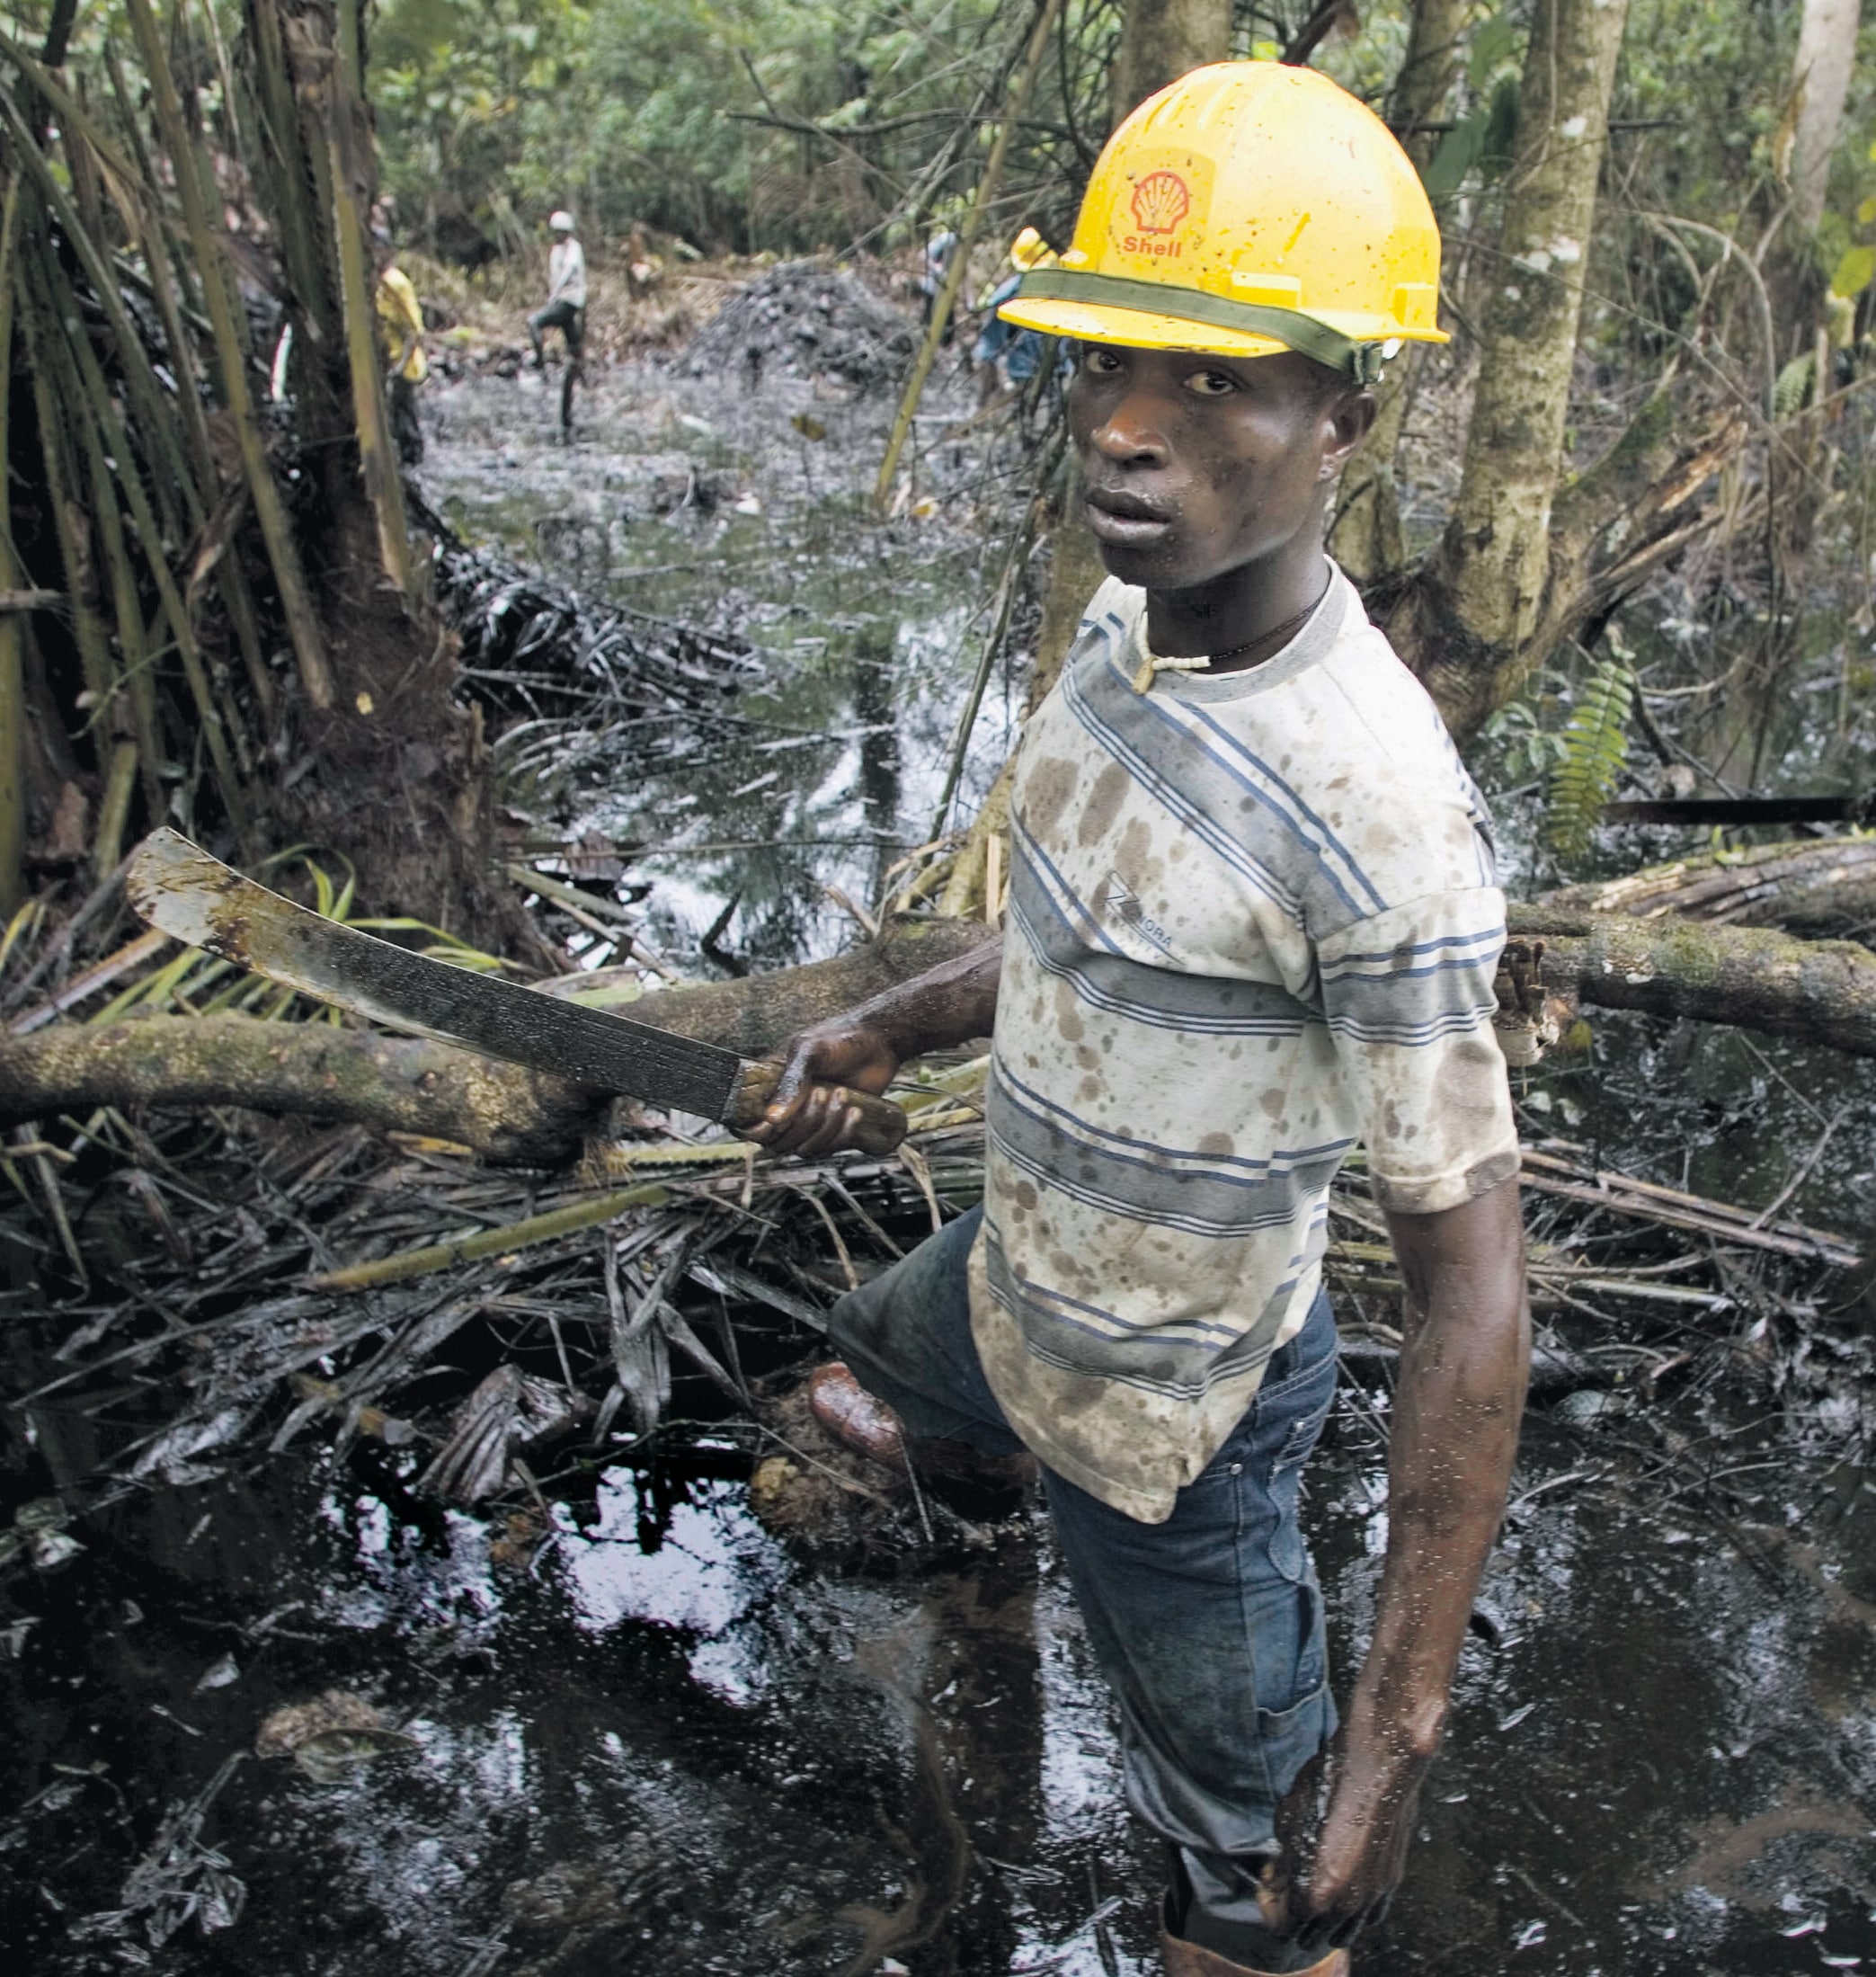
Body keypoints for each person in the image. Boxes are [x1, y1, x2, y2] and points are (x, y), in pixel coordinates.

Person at [747, 61, 1529, 1977]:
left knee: (1254, 1876)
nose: (1122, 427)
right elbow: (1084, 927)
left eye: (1211, 384)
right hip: (1030, 1263)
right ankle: (977, 1448)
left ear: (1339, 412)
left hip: (1171, 1399)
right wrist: (889, 1032)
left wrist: (1393, 1736)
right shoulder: (1125, 628)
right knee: (870, 1356)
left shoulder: (1377, 814)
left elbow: (1471, 1292)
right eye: (1105, 359)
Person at [973, 225, 1057, 404]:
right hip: (1025, 371)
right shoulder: (1010, 294)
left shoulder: (1063, 289)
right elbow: (991, 339)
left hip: (1055, 371)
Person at [373, 236, 427, 466]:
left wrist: (401, 363)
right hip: (388, 358)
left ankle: (413, 460)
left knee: (404, 413)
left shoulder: (395, 282)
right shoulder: (377, 281)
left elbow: (414, 328)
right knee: (395, 413)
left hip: (402, 362)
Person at [529, 209, 586, 370]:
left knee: (533, 322)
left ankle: (541, 367)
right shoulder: (556, 250)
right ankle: (582, 379)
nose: (559, 235)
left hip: (569, 299)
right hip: (564, 299)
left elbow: (569, 269)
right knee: (573, 342)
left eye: (562, 232)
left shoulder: (573, 248)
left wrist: (555, 292)